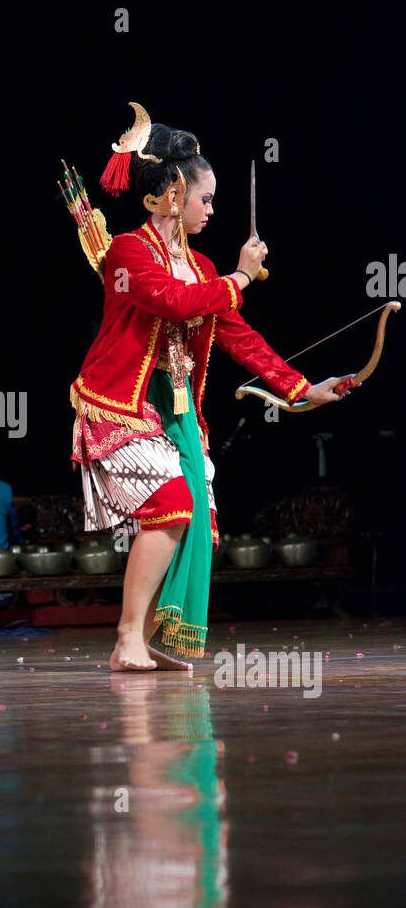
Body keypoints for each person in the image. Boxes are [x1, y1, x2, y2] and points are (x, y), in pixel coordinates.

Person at [70, 105, 352, 672]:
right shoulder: (127, 253)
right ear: (175, 192)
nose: (212, 208)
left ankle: (142, 639)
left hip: (175, 411)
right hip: (121, 402)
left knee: (191, 515)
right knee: (173, 505)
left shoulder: (201, 268)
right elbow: (172, 303)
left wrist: (300, 389)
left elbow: (239, 338)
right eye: (206, 198)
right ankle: (127, 635)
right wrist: (242, 276)